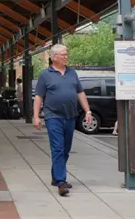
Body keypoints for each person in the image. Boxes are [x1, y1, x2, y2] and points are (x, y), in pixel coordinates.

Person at [33, 44, 93, 197]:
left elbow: (80, 93)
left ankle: (55, 176)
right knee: (57, 148)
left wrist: (87, 111)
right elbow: (39, 97)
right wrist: (35, 116)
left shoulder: (72, 73)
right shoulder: (45, 75)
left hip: (70, 116)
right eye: (63, 54)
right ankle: (61, 181)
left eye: (66, 54)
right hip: (53, 116)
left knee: (65, 149)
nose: (66, 57)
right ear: (54, 57)